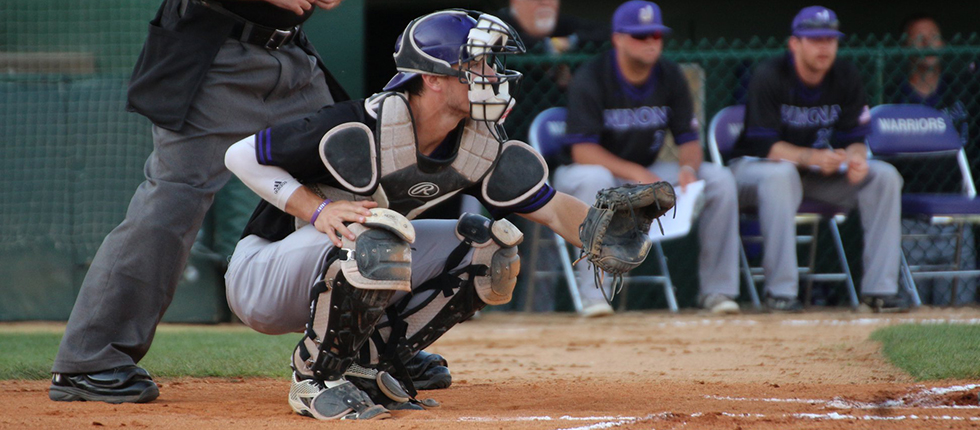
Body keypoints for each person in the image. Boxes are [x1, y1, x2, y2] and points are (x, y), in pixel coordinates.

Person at [222, 9, 667, 420]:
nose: (492, 76)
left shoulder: (474, 142)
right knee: (378, 234)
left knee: (489, 248)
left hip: (344, 264)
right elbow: (241, 155)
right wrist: (315, 208)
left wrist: (601, 230)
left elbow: (549, 207)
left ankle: (365, 362)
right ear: (433, 78)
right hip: (262, 275)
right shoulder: (357, 125)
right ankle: (313, 379)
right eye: (479, 65)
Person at [47, 0, 352, 404]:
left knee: (349, 180)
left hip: (292, 56)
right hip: (216, 54)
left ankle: (367, 349)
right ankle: (90, 360)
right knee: (172, 202)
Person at [554, 0, 741, 317]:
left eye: (656, 35)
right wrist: (637, 172)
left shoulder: (669, 74)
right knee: (594, 179)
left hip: (645, 172)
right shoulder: (593, 75)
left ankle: (718, 291)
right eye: (641, 36)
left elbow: (689, 139)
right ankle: (594, 296)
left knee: (719, 180)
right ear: (618, 39)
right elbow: (582, 152)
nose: (652, 42)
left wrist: (686, 169)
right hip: (588, 173)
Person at [730, 6, 907, 312]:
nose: (824, 46)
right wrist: (811, 157)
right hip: (756, 170)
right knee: (781, 175)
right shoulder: (770, 74)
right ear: (795, 44)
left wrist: (855, 160)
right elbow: (765, 147)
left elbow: (855, 138)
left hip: (813, 174)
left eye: (830, 39)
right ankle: (780, 293)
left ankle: (880, 291)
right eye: (815, 39)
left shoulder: (846, 75)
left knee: (884, 177)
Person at [496, 0, 606, 55]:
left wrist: (571, 41)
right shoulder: (497, 24)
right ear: (516, 2)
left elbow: (606, 32)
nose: (545, 2)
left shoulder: (563, 25)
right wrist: (547, 46)